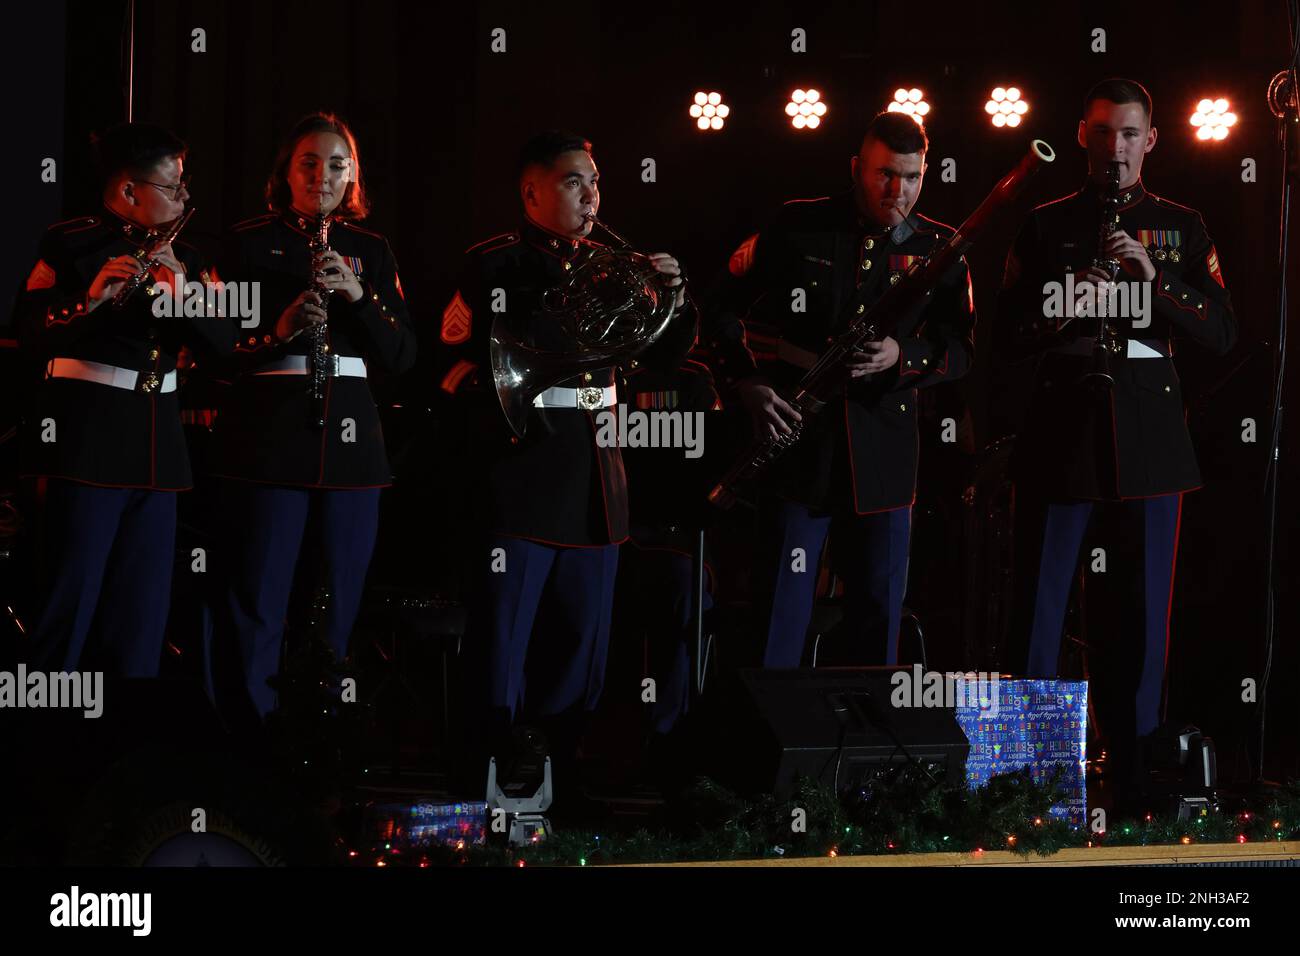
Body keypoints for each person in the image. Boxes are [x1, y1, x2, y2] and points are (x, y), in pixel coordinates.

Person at [997, 79, 1236, 777]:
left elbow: (1221, 332)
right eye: (1103, 133)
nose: (1116, 149)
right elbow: (1007, 337)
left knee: (1139, 620)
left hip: (1150, 446)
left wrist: (1156, 277)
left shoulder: (1181, 224)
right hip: (1061, 437)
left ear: (1151, 140)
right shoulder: (1045, 223)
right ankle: (1027, 780)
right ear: (1082, 136)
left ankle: (1138, 776)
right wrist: (1067, 302)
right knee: (1039, 613)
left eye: (1129, 134)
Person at [439, 130, 694, 781]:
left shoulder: (615, 266)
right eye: (573, 181)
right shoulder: (495, 265)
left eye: (596, 182)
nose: (590, 195)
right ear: (532, 191)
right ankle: (490, 783)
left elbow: (662, 356)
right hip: (524, 472)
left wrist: (673, 298)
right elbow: (455, 366)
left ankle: (562, 779)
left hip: (598, 473)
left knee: (583, 649)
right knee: (504, 646)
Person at [704, 111, 976, 668]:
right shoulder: (797, 224)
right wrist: (746, 381)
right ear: (856, 168)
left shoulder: (941, 248)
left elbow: (964, 349)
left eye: (911, 177)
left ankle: (869, 751)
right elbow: (720, 308)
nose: (896, 191)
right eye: (883, 175)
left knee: (878, 621)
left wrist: (906, 356)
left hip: (884, 454)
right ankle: (773, 750)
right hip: (798, 446)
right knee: (778, 616)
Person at [208, 112, 415, 721]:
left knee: (339, 601)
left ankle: (322, 742)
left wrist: (361, 298)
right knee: (258, 599)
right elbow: (214, 348)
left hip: (353, 451)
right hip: (268, 440)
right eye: (309, 162)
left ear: (352, 176)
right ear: (285, 171)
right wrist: (276, 330)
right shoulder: (245, 242)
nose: (323, 175)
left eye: (337, 164)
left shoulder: (372, 251)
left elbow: (403, 356)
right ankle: (249, 739)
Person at [15, 122, 231, 676]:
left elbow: (228, 348)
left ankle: (125, 744)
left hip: (158, 448)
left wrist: (185, 292)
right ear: (130, 190)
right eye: (173, 186)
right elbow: (29, 330)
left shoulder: (194, 259)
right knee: (68, 607)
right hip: (85, 446)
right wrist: (88, 302)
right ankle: (43, 739)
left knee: (142, 618)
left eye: (184, 186)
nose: (185, 198)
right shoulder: (71, 242)